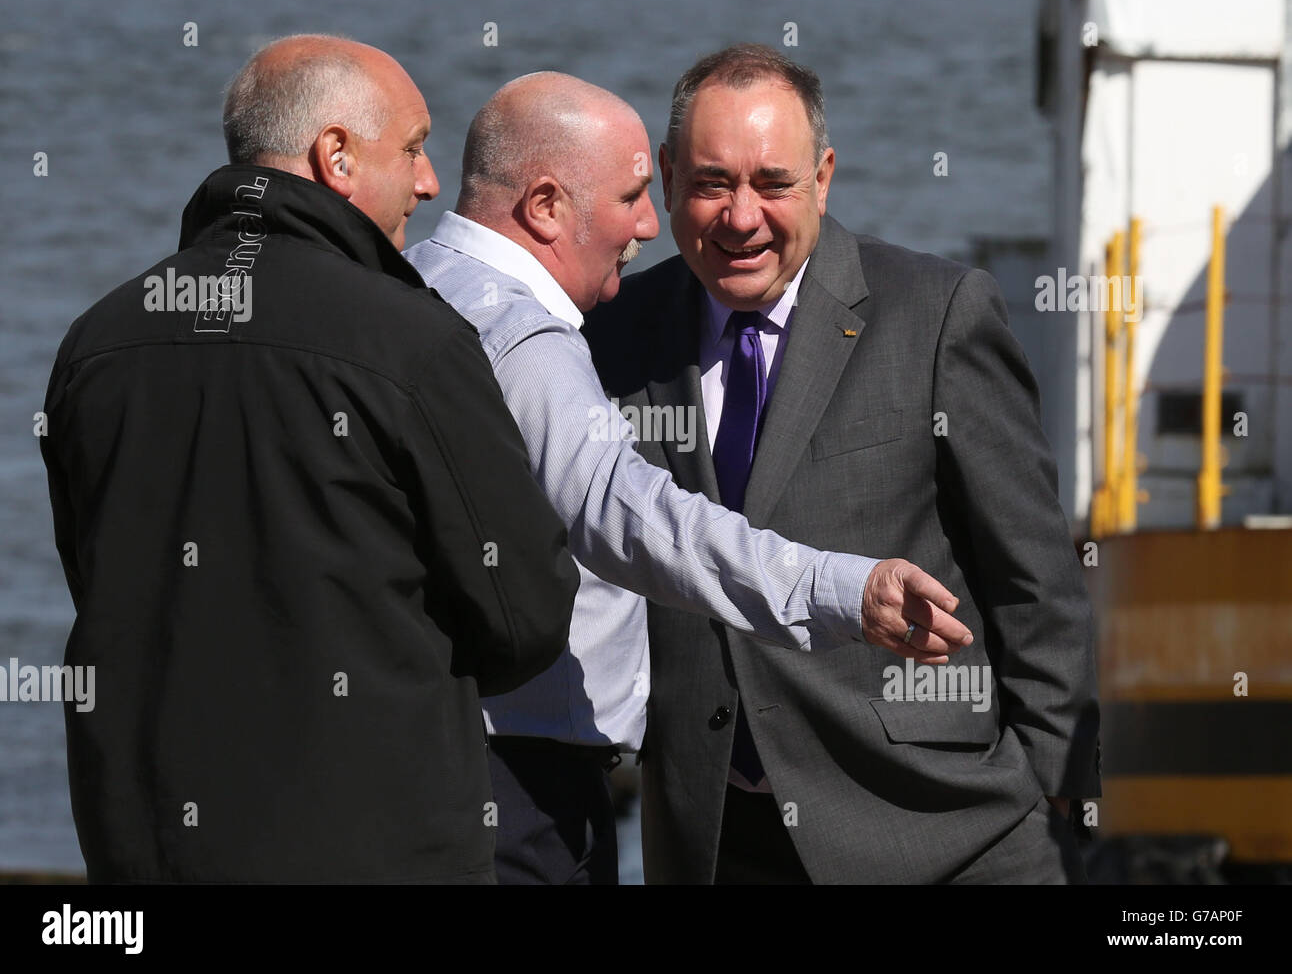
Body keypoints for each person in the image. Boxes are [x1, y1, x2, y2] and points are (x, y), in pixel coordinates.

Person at [403, 71, 972, 885]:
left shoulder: (401, 290)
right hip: (522, 791)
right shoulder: (529, 340)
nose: (647, 225)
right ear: (546, 208)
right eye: (636, 194)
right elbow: (622, 508)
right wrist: (837, 587)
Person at [39, 35, 578, 883]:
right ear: (336, 156)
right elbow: (525, 616)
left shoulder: (98, 341)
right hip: (375, 843)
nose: (431, 181)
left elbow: (99, 579)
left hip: (142, 841)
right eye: (411, 148)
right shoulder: (413, 340)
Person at [583, 44, 1101, 884]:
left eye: (773, 183)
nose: (741, 216)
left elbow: (1035, 584)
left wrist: (1056, 802)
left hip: (945, 831)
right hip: (715, 838)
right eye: (713, 182)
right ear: (669, 177)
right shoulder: (613, 332)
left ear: (823, 177)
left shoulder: (938, 315)